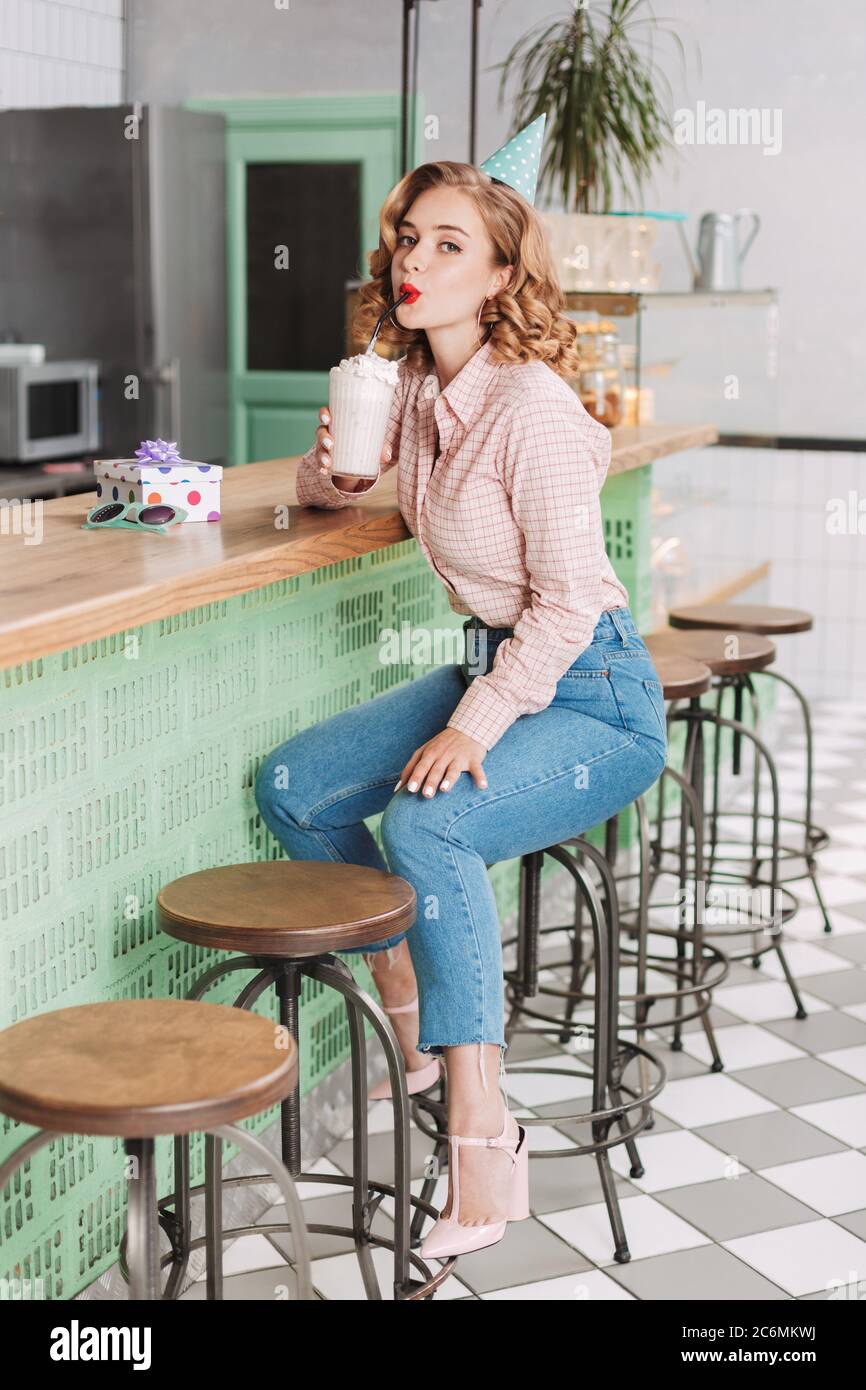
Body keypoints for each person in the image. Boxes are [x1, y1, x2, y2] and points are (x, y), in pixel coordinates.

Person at [255, 138, 668, 1260]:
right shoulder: (416, 392)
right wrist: (337, 473)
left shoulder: (529, 407)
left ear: (498, 276)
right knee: (295, 785)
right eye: (407, 239)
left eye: (448, 245)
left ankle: (486, 1138)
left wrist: (472, 722)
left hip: (594, 695)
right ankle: (411, 1019)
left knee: (427, 822)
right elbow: (327, 486)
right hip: (504, 665)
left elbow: (568, 602)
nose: (414, 261)